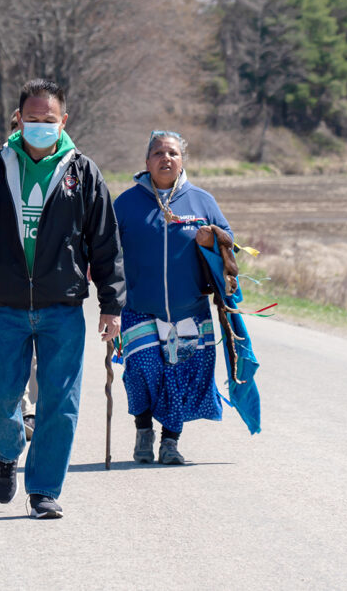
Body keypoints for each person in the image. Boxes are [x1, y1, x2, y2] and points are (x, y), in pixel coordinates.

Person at [0, 79, 124, 519]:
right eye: (32, 120)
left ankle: (44, 490)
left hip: (62, 306)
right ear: (18, 120)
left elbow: (105, 242)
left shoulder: (82, 172)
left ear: (63, 121)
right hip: (6, 304)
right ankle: (8, 451)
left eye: (49, 121)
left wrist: (112, 305)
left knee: (60, 403)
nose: (40, 127)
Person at [113, 130, 232, 464]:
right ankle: (142, 430)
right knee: (141, 371)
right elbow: (106, 248)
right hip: (139, 307)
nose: (166, 158)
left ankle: (170, 442)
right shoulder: (126, 203)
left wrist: (213, 239)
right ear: (146, 161)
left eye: (173, 153)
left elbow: (229, 241)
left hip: (189, 309)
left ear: (183, 161)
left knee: (179, 375)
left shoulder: (202, 202)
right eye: (158, 153)